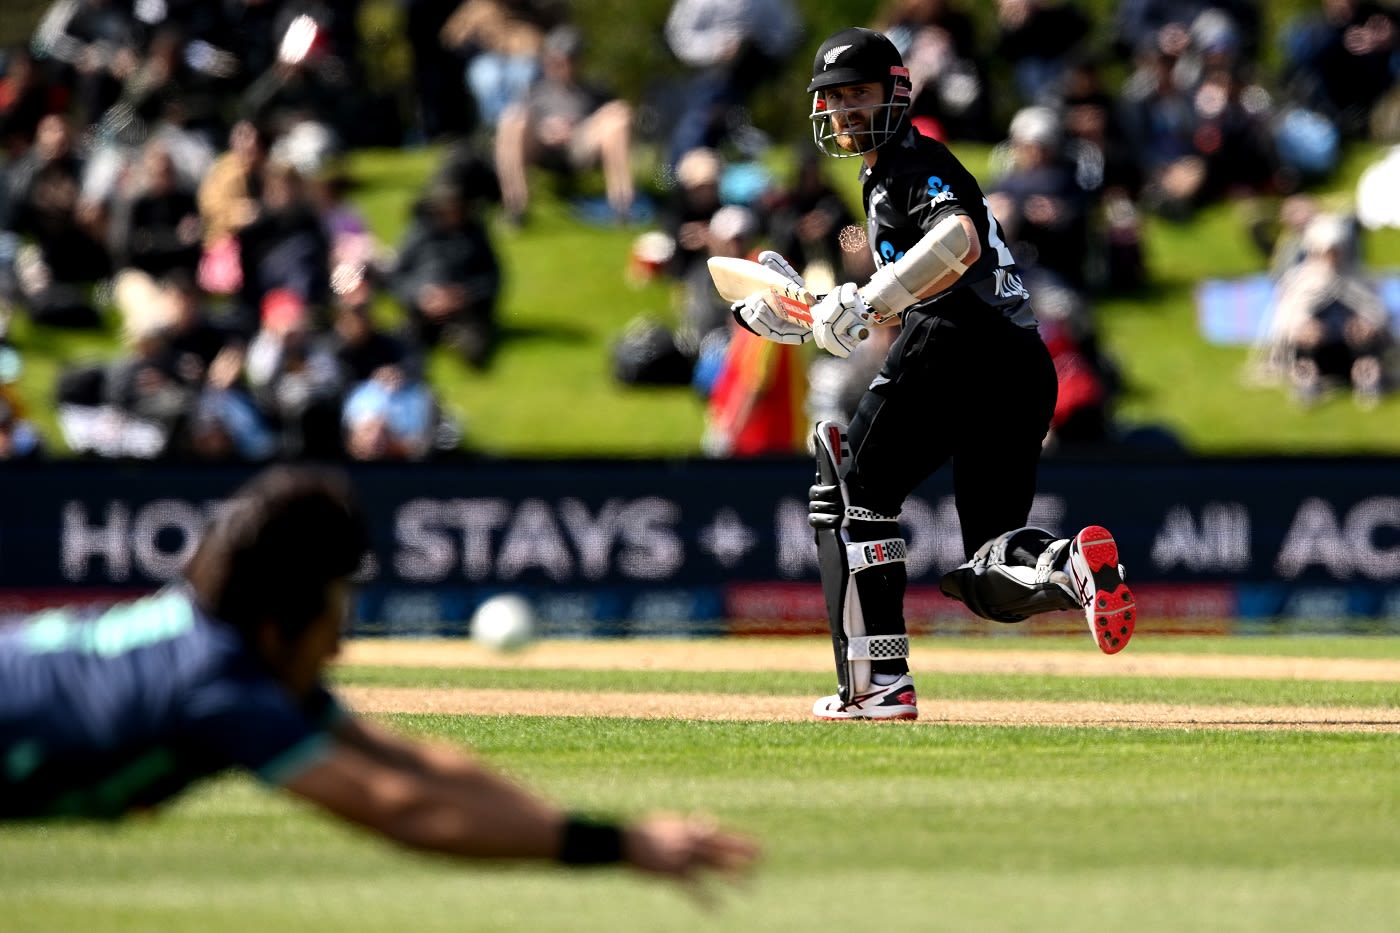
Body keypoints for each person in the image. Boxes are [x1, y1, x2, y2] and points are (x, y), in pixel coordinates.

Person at [0, 465, 759, 884]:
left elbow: (411, 763)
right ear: (278, 624)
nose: (338, 651)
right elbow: (405, 810)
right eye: (333, 620)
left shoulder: (218, 642)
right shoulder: (220, 691)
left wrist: (612, 830)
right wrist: (620, 849)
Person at [730, 28, 1138, 721]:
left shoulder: (912, 163)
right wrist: (814, 312)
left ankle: (878, 683)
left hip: (958, 342)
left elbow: (959, 242)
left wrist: (865, 302)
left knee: (853, 492)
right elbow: (906, 281)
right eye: (834, 99)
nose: (845, 110)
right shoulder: (881, 177)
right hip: (1020, 360)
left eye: (859, 94)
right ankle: (1068, 562)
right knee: (987, 572)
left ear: (897, 93)